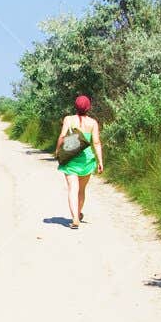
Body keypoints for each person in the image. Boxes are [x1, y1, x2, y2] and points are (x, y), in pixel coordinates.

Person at [55, 95, 103, 228]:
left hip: (70, 159)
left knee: (72, 189)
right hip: (87, 161)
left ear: (75, 106)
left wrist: (57, 150)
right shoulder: (93, 123)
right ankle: (78, 212)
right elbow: (97, 142)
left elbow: (62, 136)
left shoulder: (68, 119)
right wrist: (100, 161)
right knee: (81, 190)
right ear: (89, 107)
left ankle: (75, 218)